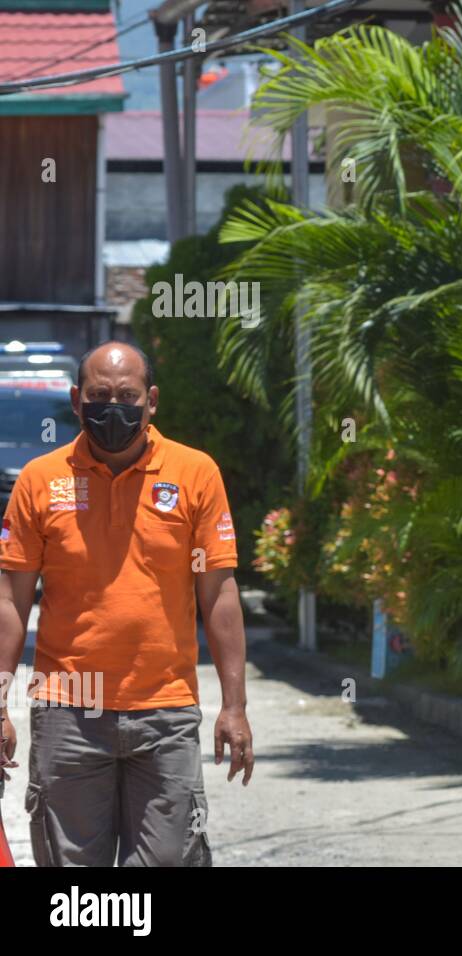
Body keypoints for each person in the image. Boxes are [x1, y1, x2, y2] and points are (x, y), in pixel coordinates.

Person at [0, 341, 253, 866]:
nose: (112, 406)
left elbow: (219, 593)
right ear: (76, 400)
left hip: (165, 711)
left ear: (152, 400)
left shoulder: (195, 473)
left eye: (127, 395)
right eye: (98, 394)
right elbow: (10, 600)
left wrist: (234, 705)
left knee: (168, 861)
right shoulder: (40, 480)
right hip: (67, 712)